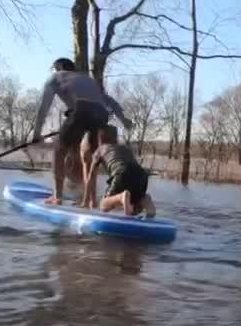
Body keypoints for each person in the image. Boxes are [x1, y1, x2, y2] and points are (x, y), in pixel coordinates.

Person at [29, 58, 132, 206]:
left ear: (58, 68)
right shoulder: (87, 79)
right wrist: (124, 119)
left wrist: (36, 134)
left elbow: (43, 109)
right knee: (90, 159)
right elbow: (109, 101)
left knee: (59, 150)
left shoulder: (55, 77)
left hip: (82, 109)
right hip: (101, 113)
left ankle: (57, 197)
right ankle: (91, 200)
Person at [91, 124, 156, 219]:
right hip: (141, 175)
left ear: (100, 139)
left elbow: (90, 177)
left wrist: (89, 201)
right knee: (134, 209)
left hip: (122, 173)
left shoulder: (100, 149)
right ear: (116, 138)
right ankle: (145, 200)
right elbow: (134, 166)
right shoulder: (125, 148)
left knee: (103, 206)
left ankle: (121, 196)